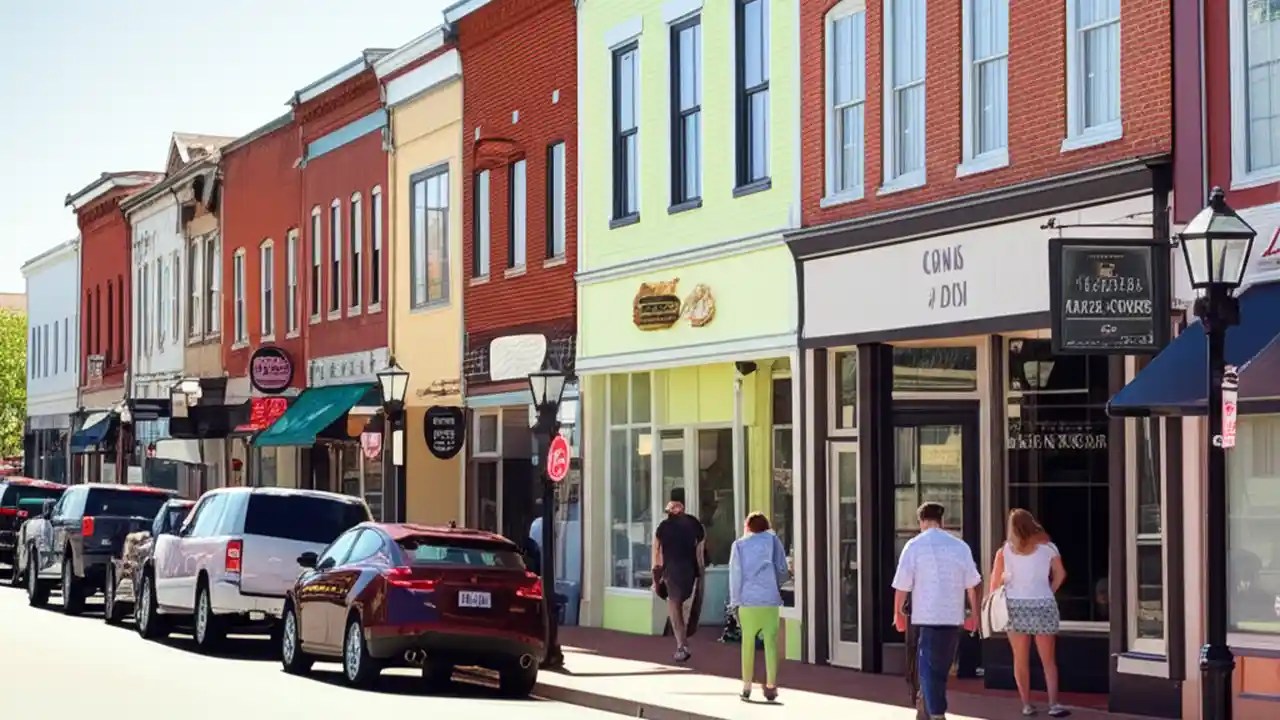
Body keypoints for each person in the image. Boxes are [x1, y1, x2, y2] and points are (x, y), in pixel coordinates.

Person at [892, 502, 981, 720]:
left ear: (921, 521)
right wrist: (975, 616)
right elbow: (973, 585)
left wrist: (898, 614)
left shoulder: (914, 546)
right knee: (940, 670)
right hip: (952, 618)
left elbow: (902, 585)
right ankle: (926, 711)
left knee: (928, 671)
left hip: (927, 617)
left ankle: (937, 714)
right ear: (942, 521)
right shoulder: (960, 546)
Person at [991, 509, 1068, 718]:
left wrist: (1006, 580)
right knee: (1049, 660)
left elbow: (993, 585)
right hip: (1043, 604)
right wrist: (1049, 590)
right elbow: (1060, 574)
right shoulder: (1048, 548)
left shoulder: (1004, 551)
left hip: (1015, 607)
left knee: (1020, 658)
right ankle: (1054, 703)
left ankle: (1026, 704)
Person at [729, 512, 788, 702]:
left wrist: (735, 602)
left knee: (748, 643)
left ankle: (746, 687)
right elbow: (782, 569)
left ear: (747, 526)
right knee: (771, 643)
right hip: (770, 599)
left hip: (748, 601)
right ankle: (771, 686)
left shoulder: (738, 545)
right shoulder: (773, 541)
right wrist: (775, 585)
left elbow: (735, 576)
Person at [652, 500, 705, 662]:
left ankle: (682, 646)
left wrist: (656, 577)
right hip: (691, 571)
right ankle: (684, 640)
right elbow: (700, 550)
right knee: (688, 607)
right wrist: (700, 569)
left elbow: (657, 553)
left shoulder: (663, 527)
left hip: (672, 572)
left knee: (675, 609)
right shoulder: (695, 524)